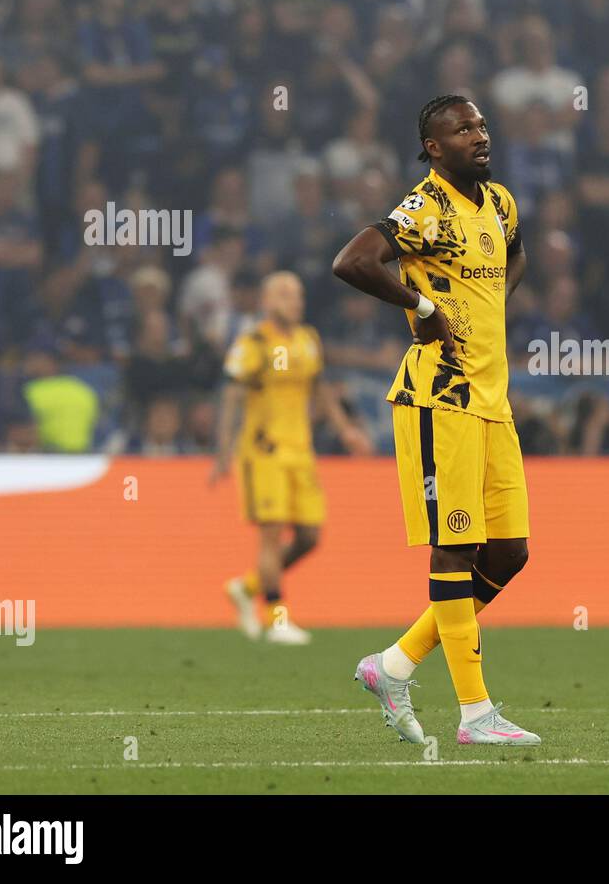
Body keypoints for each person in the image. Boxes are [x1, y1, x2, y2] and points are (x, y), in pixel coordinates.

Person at [332, 95, 540, 746]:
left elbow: (516, 252)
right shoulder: (426, 208)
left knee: (511, 553)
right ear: (433, 148)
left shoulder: (499, 203)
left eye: (480, 125)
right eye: (462, 129)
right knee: (456, 547)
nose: (479, 135)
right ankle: (476, 715)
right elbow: (353, 261)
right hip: (439, 398)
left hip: (492, 403)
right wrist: (421, 302)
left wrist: (488, 309)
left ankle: (392, 666)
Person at [211, 271, 370, 645]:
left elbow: (320, 389)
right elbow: (232, 395)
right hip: (263, 452)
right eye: (284, 294)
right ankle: (277, 618)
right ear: (266, 301)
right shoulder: (253, 343)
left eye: (297, 294)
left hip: (300, 451)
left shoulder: (307, 339)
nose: (294, 301)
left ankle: (246, 588)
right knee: (271, 537)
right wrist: (223, 452)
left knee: (310, 536)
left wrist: (345, 428)